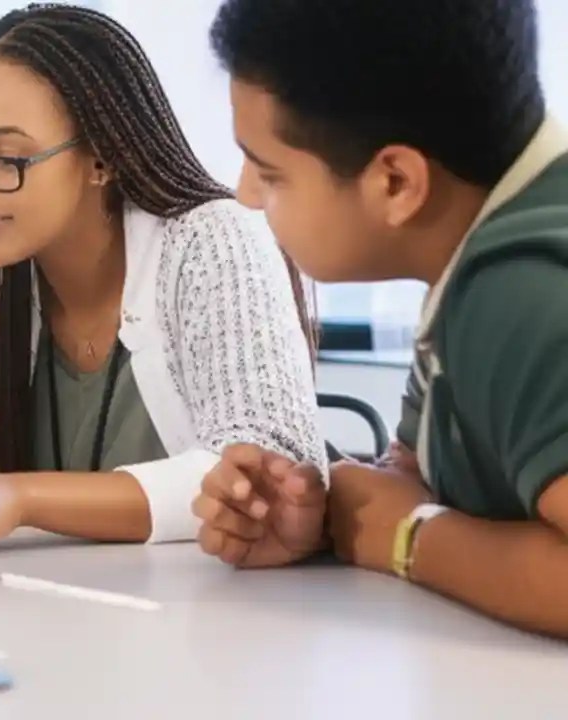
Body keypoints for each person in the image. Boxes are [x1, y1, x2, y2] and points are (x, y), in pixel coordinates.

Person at [0, 3, 326, 567]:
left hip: (200, 623)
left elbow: (268, 469)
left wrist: (19, 497)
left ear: (102, 159)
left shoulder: (211, 240)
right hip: (12, 614)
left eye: (5, 158)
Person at [196, 0, 568, 637]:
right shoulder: (473, 257)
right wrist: (325, 514)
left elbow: (414, 517)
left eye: (269, 172)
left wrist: (405, 537)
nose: (246, 195)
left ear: (395, 182)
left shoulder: (522, 292)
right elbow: (417, 480)